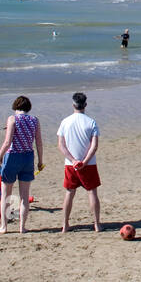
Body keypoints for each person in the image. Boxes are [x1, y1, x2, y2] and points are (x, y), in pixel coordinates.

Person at [0, 96, 43, 233]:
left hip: (12, 156)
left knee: (5, 194)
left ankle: (4, 226)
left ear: (16, 107)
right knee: (24, 196)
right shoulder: (34, 120)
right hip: (28, 157)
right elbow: (38, 142)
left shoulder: (12, 119)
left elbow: (7, 142)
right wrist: (40, 160)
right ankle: (22, 227)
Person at [57, 92, 101, 233]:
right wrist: (84, 161)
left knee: (69, 193)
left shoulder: (65, 121)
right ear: (85, 105)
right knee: (92, 193)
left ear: (73, 105)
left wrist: (74, 160)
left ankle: (65, 224)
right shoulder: (91, 122)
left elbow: (61, 146)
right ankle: (97, 224)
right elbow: (94, 146)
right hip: (88, 164)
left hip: (71, 165)